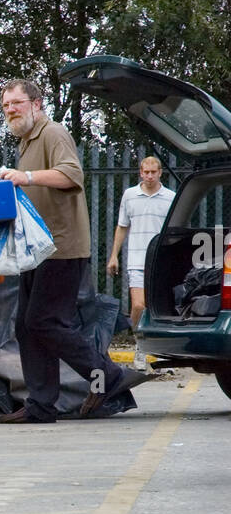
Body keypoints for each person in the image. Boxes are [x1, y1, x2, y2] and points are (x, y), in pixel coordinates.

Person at [0, 78, 147, 422]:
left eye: (16, 103)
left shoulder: (53, 133)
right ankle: (41, 405)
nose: (10, 111)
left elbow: (71, 174)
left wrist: (26, 177)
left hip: (62, 248)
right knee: (26, 324)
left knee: (44, 321)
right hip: (38, 249)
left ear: (36, 103)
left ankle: (105, 375)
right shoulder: (26, 141)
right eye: (5, 106)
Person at [106, 157, 174, 370]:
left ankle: (161, 352)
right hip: (136, 258)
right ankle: (139, 345)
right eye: (146, 172)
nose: (150, 176)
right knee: (138, 305)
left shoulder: (170, 197)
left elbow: (175, 229)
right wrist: (114, 255)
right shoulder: (130, 195)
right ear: (141, 173)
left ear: (160, 172)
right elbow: (122, 226)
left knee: (162, 308)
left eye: (154, 172)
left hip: (161, 260)